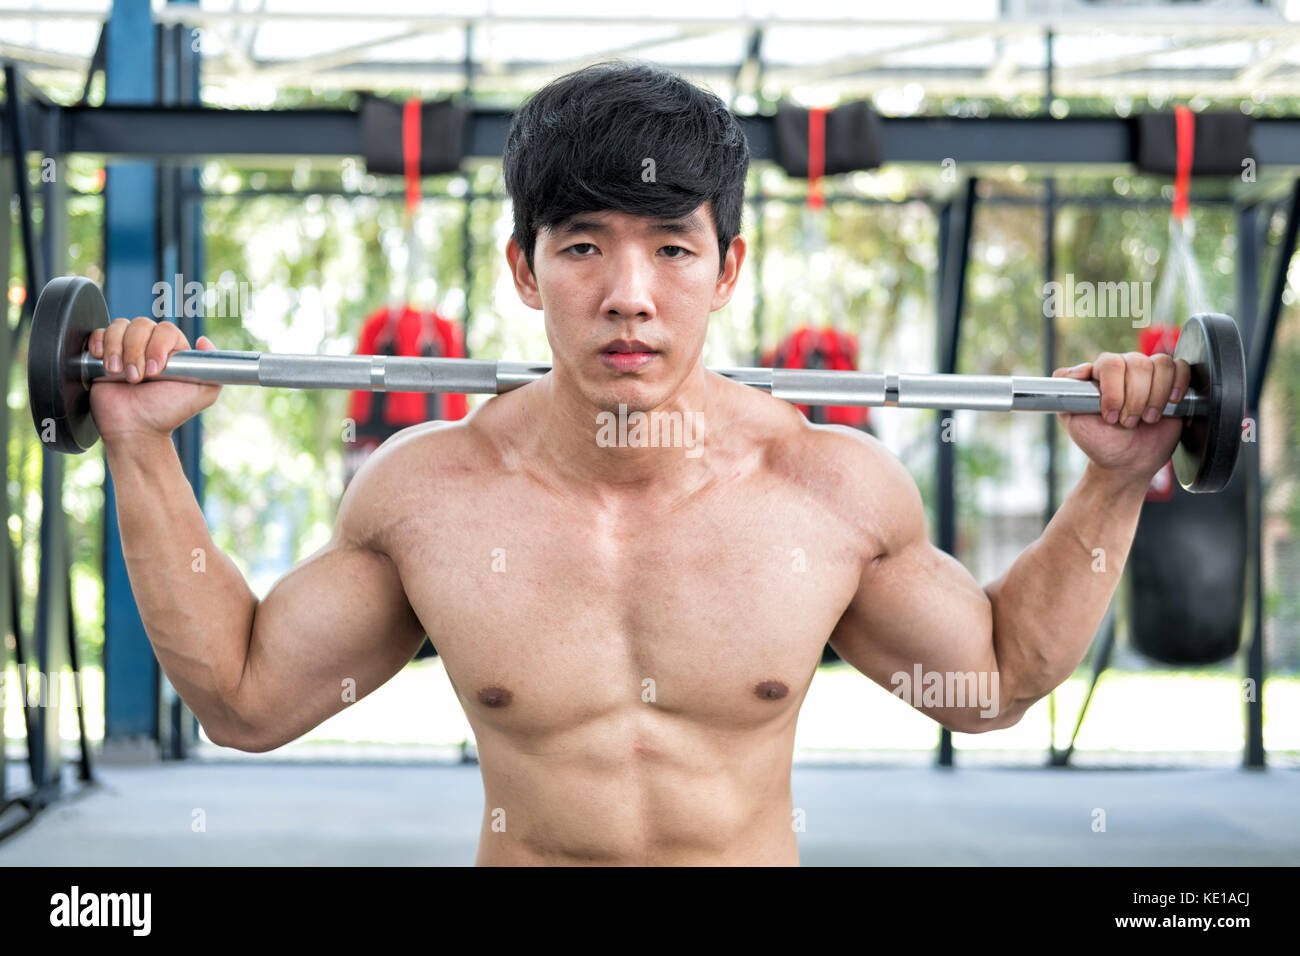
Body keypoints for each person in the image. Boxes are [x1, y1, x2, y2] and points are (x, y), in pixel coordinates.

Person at [88, 61, 1191, 866]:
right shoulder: (429, 494)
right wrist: (141, 449)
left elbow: (993, 681)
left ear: (725, 269)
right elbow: (243, 701)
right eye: (583, 245)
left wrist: (1109, 479)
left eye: (671, 248)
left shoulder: (827, 492)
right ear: (524, 267)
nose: (628, 293)